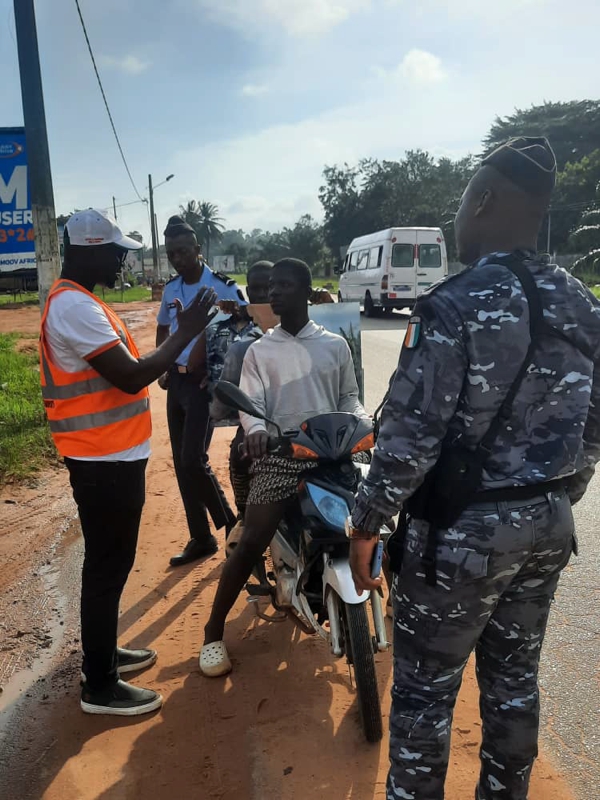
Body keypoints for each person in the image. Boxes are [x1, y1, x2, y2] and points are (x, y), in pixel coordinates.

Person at [348, 137, 600, 800]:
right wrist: (553, 496)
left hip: (459, 538)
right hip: (548, 524)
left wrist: (367, 527)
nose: (459, 219)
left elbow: (407, 441)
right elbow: (594, 430)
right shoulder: (584, 305)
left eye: (462, 202)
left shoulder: (455, 304)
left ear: (483, 200)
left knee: (425, 696)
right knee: (514, 680)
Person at [40, 209, 217, 716]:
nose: (123, 260)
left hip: (109, 454)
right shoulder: (75, 307)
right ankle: (99, 684)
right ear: (89, 250)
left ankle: (102, 653)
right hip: (103, 459)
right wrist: (186, 330)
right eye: (117, 251)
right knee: (107, 564)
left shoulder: (81, 301)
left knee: (110, 564)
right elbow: (134, 375)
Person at [199, 258, 368, 676]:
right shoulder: (260, 351)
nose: (273, 293)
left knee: (379, 519)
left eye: (283, 285)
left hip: (335, 451)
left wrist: (362, 421)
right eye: (271, 286)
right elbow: (251, 405)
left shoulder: (335, 345)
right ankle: (213, 632)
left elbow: (349, 396)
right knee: (254, 536)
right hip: (283, 455)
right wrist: (255, 429)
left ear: (308, 292)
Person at [156, 216, 243, 567]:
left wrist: (220, 371)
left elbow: (243, 333)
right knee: (181, 463)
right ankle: (201, 537)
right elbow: (164, 329)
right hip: (175, 383)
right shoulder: (170, 289)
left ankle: (233, 527)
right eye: (171, 253)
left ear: (198, 249)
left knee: (193, 459)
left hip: (204, 384)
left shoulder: (222, 287)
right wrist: (163, 365)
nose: (177, 258)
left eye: (183, 251)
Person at [209, 260, 273, 521]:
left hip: (284, 431)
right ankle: (245, 524)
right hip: (279, 430)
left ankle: (245, 524)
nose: (264, 295)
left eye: (270, 288)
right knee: (241, 453)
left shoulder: (244, 347)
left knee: (241, 455)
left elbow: (218, 409)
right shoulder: (326, 336)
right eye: (256, 289)